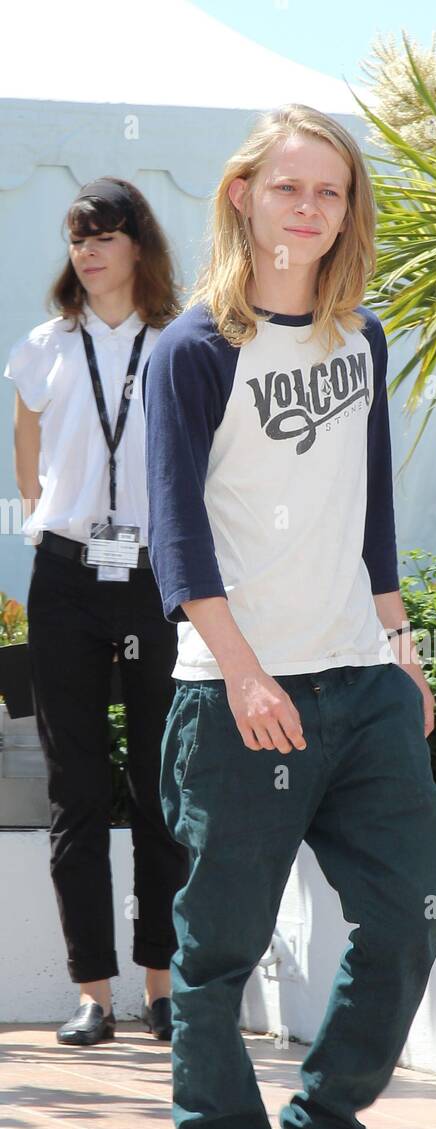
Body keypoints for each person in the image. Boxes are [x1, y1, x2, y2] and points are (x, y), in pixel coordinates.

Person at [143, 104, 436, 1129]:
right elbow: (180, 539)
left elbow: (369, 517)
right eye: (287, 188)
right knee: (219, 951)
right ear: (243, 197)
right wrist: (243, 673)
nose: (308, 209)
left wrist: (400, 646)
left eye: (329, 192)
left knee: (410, 918)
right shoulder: (195, 348)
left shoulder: (356, 339)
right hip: (234, 695)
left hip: (359, 686)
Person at [3, 177, 186, 1046]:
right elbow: (26, 446)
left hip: (156, 578)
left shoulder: (180, 341)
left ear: (139, 246)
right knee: (75, 787)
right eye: (79, 236)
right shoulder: (44, 343)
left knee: (159, 786)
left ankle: (161, 986)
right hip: (69, 578)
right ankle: (93, 993)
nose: (89, 250)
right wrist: (47, 524)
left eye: (106, 235)